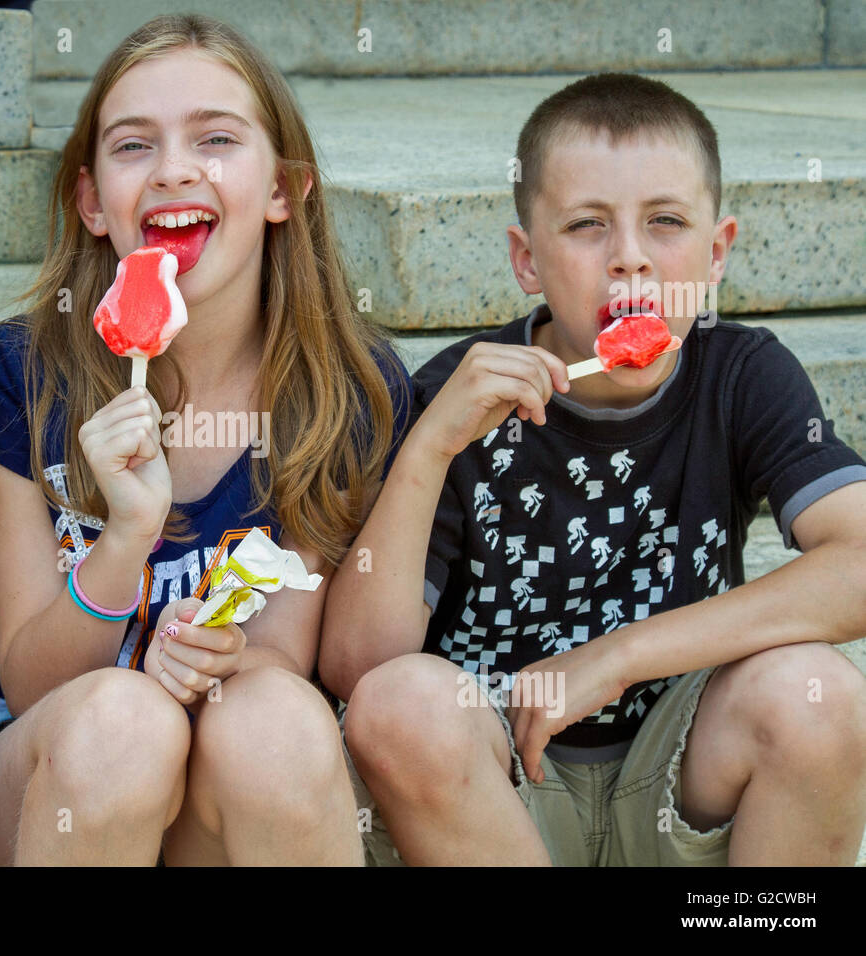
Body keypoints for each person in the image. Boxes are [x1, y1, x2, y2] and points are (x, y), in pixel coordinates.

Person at [321, 73, 866, 866]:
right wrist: (429, 449)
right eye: (586, 227)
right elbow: (357, 671)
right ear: (527, 260)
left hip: (678, 782)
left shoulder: (742, 375)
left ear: (717, 254)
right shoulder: (455, 399)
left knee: (820, 694)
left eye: (667, 223)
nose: (631, 261)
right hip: (499, 794)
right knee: (402, 703)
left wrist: (617, 656)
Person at [0, 14, 410, 865]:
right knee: (125, 724)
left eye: (217, 138)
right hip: (49, 769)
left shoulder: (343, 385)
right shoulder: (24, 371)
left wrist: (220, 655)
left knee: (273, 717)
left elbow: (278, 654)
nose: (172, 170)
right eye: (133, 147)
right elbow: (30, 682)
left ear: (284, 189)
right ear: (92, 203)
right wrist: (125, 539)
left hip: (222, 775)